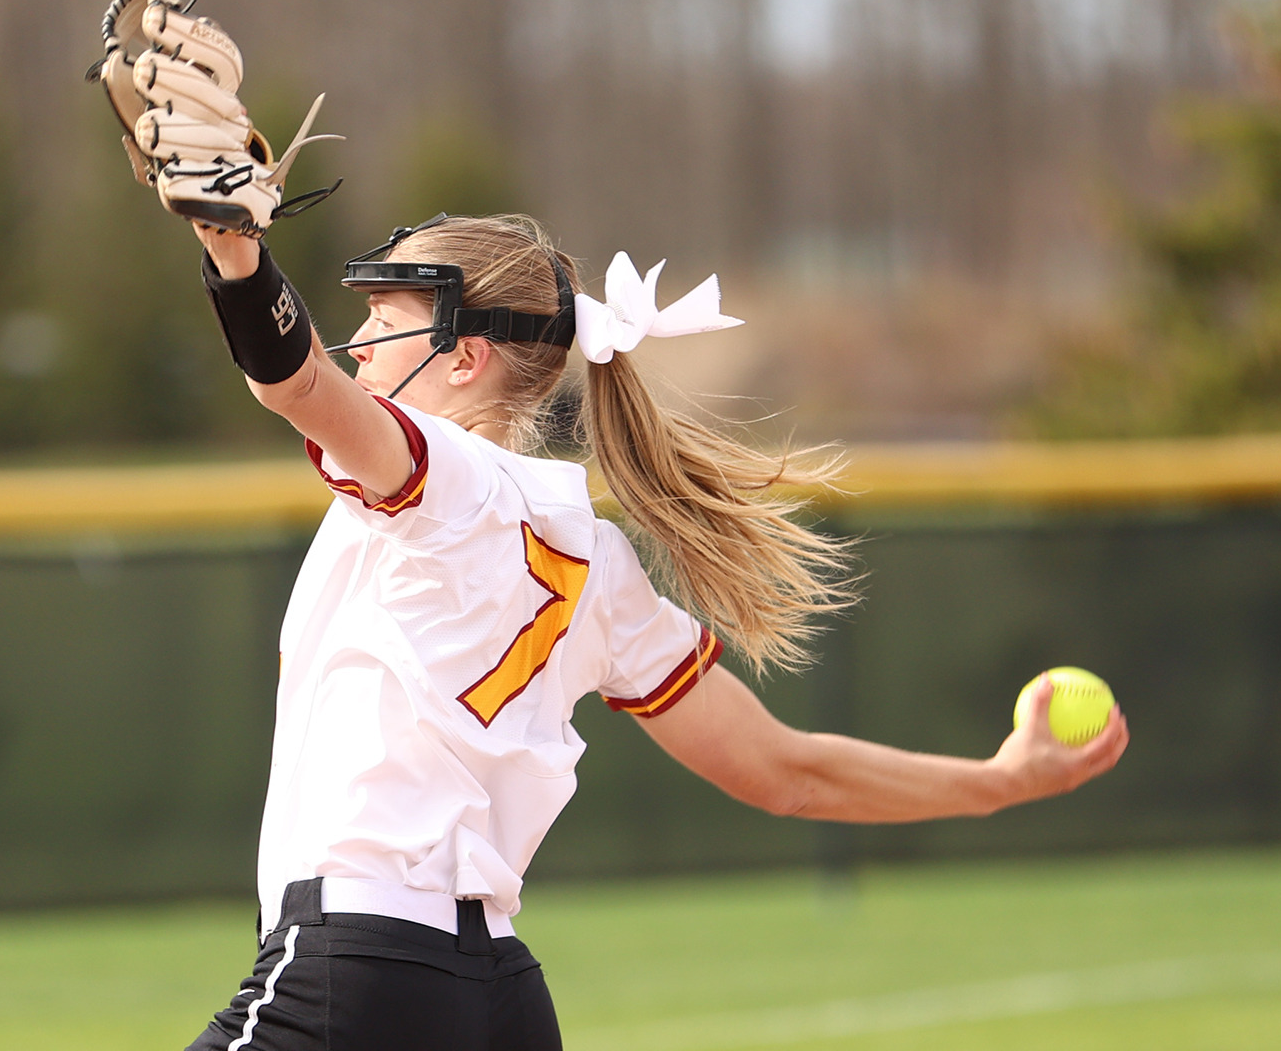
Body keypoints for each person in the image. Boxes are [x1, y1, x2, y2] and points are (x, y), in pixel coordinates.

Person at [177, 212, 1131, 1051]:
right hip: (499, 1002)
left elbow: (294, 383)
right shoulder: (596, 561)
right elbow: (785, 771)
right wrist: (1002, 782)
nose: (359, 346)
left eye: (386, 323)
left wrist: (234, 250)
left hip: (357, 973)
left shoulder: (436, 479)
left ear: (464, 358)